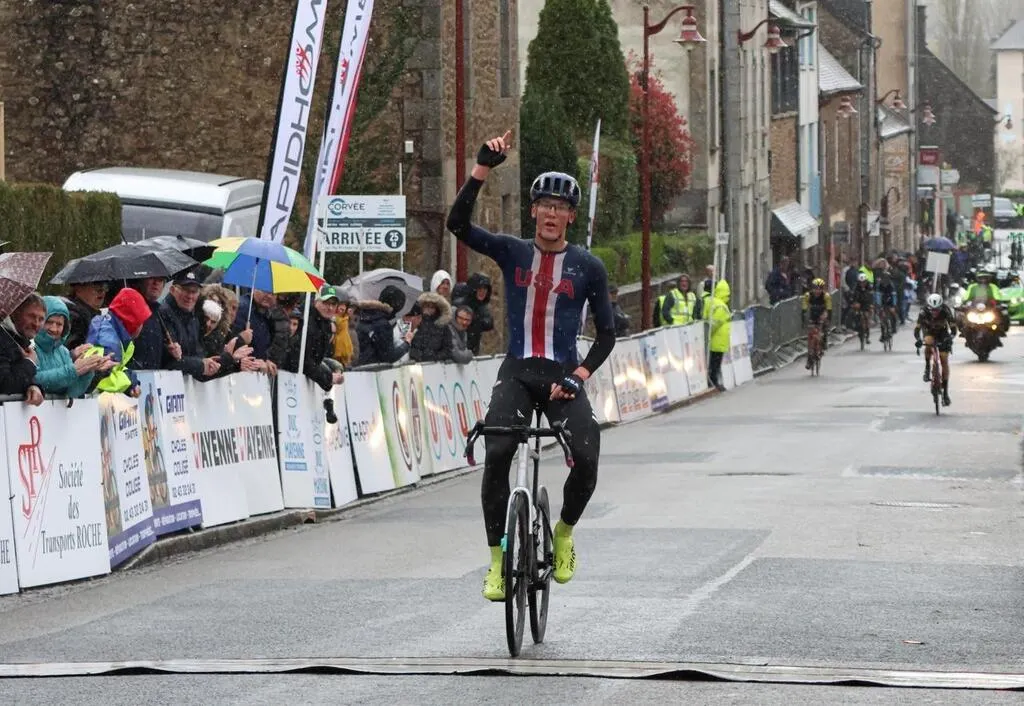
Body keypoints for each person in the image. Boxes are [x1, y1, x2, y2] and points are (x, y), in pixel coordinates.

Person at [447, 130, 616, 602]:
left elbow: (606, 335)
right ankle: (498, 562)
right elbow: (458, 225)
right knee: (498, 453)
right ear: (534, 211)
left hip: (562, 377)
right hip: (519, 372)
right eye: (544, 205)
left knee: (586, 456)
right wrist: (481, 168)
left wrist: (578, 376)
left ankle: (563, 533)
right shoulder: (513, 251)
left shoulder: (588, 267)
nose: (551, 214)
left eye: (560, 208)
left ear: (570, 217)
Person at [34, 295, 113, 398]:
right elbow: (35, 379)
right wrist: (74, 370)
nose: (54, 329)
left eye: (59, 324)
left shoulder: (63, 352)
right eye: (49, 322)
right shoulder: (31, 347)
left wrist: (88, 369)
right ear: (39, 321)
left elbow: (72, 392)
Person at [85, 287, 153, 396]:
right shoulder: (107, 340)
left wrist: (130, 378)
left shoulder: (114, 335)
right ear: (132, 322)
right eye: (140, 322)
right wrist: (129, 382)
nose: (142, 327)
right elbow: (100, 378)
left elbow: (115, 368)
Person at [0, 295, 49, 404]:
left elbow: (17, 374)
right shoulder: (3, 339)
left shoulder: (19, 339)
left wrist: (32, 386)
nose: (36, 324)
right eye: (31, 316)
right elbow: (5, 385)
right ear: (14, 312)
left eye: (41, 319)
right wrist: (29, 362)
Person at [914, 293, 956, 406]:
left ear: (941, 307)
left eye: (937, 310)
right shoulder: (923, 312)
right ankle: (928, 367)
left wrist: (950, 338)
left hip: (943, 333)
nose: (934, 312)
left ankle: (946, 393)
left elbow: (953, 329)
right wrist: (918, 339)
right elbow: (917, 329)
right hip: (929, 332)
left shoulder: (946, 311)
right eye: (932, 310)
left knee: (944, 359)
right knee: (928, 342)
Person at [409, 292, 455, 363]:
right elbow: (405, 342)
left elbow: (448, 349)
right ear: (422, 307)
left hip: (434, 365)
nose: (429, 309)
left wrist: (434, 357)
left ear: (437, 309)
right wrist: (415, 353)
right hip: (413, 364)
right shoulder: (414, 321)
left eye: (432, 307)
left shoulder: (442, 326)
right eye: (426, 306)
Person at [801, 278, 832, 369]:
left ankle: (824, 343)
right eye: (815, 288)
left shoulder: (826, 296)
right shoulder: (808, 296)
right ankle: (810, 357)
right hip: (812, 316)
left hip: (822, 315)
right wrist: (804, 321)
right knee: (811, 335)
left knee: (823, 331)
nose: (817, 291)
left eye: (819, 289)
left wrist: (827, 319)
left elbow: (829, 310)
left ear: (822, 289)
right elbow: (804, 310)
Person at [851, 273, 875, 343]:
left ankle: (867, 336)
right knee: (855, 315)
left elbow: (871, 297)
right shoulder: (856, 287)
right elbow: (853, 296)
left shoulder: (870, 287)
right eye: (861, 282)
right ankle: (856, 327)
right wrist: (854, 303)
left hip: (867, 304)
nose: (862, 284)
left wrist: (871, 304)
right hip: (859, 304)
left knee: (867, 317)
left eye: (864, 282)